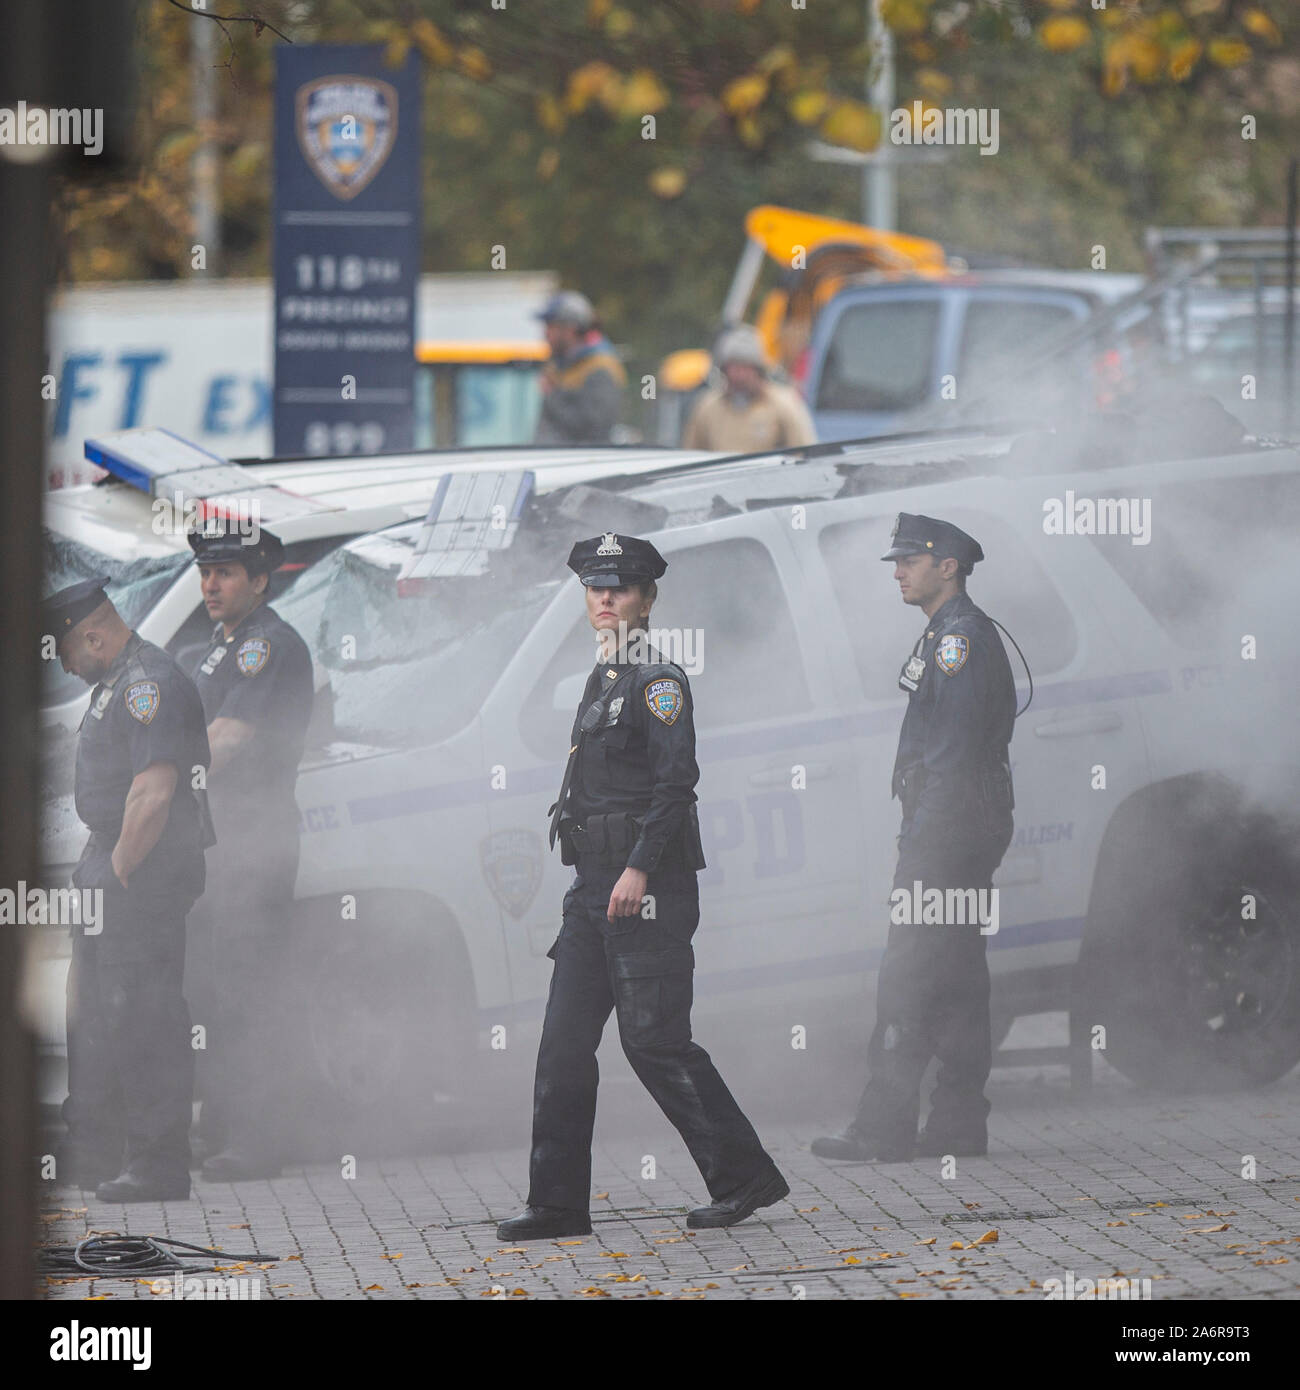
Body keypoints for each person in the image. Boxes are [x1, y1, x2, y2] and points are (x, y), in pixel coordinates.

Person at [497, 533, 788, 1240]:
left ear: (647, 599)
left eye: (619, 588)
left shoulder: (657, 680)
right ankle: (558, 1205)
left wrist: (638, 869)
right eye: (595, 588)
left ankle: (745, 1175)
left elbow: (675, 784)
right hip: (590, 891)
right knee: (563, 1045)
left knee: (654, 1041)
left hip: (644, 890)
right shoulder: (602, 677)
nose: (603, 599)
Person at [813, 514, 1016, 1162]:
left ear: (946, 566)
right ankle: (958, 1124)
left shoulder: (958, 642)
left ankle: (885, 1125)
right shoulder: (949, 635)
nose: (898, 571)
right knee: (956, 974)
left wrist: (921, 852)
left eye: (908, 561)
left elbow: (952, 761)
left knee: (907, 975)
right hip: (962, 829)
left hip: (949, 834)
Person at [46, 577, 210, 1202]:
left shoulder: (148, 684)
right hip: (108, 862)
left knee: (146, 1013)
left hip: (144, 871)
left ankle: (158, 1163)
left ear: (93, 634)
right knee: (93, 1012)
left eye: (65, 653)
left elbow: (154, 793)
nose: (64, 665)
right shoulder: (112, 680)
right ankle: (94, 1151)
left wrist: (115, 877)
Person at [185, 519, 314, 1181]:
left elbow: (228, 737)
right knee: (214, 991)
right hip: (219, 845)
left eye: (226, 572)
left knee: (250, 992)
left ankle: (261, 1139)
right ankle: (222, 1129)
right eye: (206, 571)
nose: (210, 583)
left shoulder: (268, 645)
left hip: (253, 843)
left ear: (259, 582)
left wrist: (161, 775)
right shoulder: (222, 644)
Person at [681, 324, 816, 453]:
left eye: (745, 368)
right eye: (733, 368)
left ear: (759, 371)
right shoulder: (708, 407)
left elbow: (805, 453)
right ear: (724, 371)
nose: (739, 376)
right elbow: (692, 453)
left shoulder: (784, 404)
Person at [533, 290, 627, 445]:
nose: (546, 334)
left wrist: (552, 394)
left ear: (570, 329)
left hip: (582, 463)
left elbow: (592, 429)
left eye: (551, 326)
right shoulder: (560, 365)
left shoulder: (601, 368)